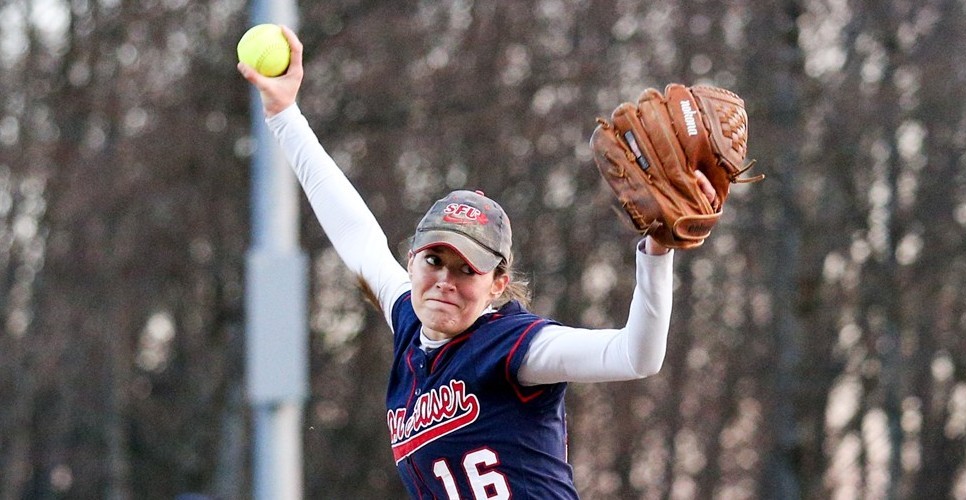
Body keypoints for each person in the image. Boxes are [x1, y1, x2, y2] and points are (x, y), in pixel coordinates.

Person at [238, 26, 716, 500]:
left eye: (467, 268)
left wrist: (657, 253)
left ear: (497, 284)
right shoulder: (409, 320)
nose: (445, 280)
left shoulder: (514, 347)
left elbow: (636, 356)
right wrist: (284, 114)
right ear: (412, 260)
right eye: (434, 260)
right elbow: (355, 233)